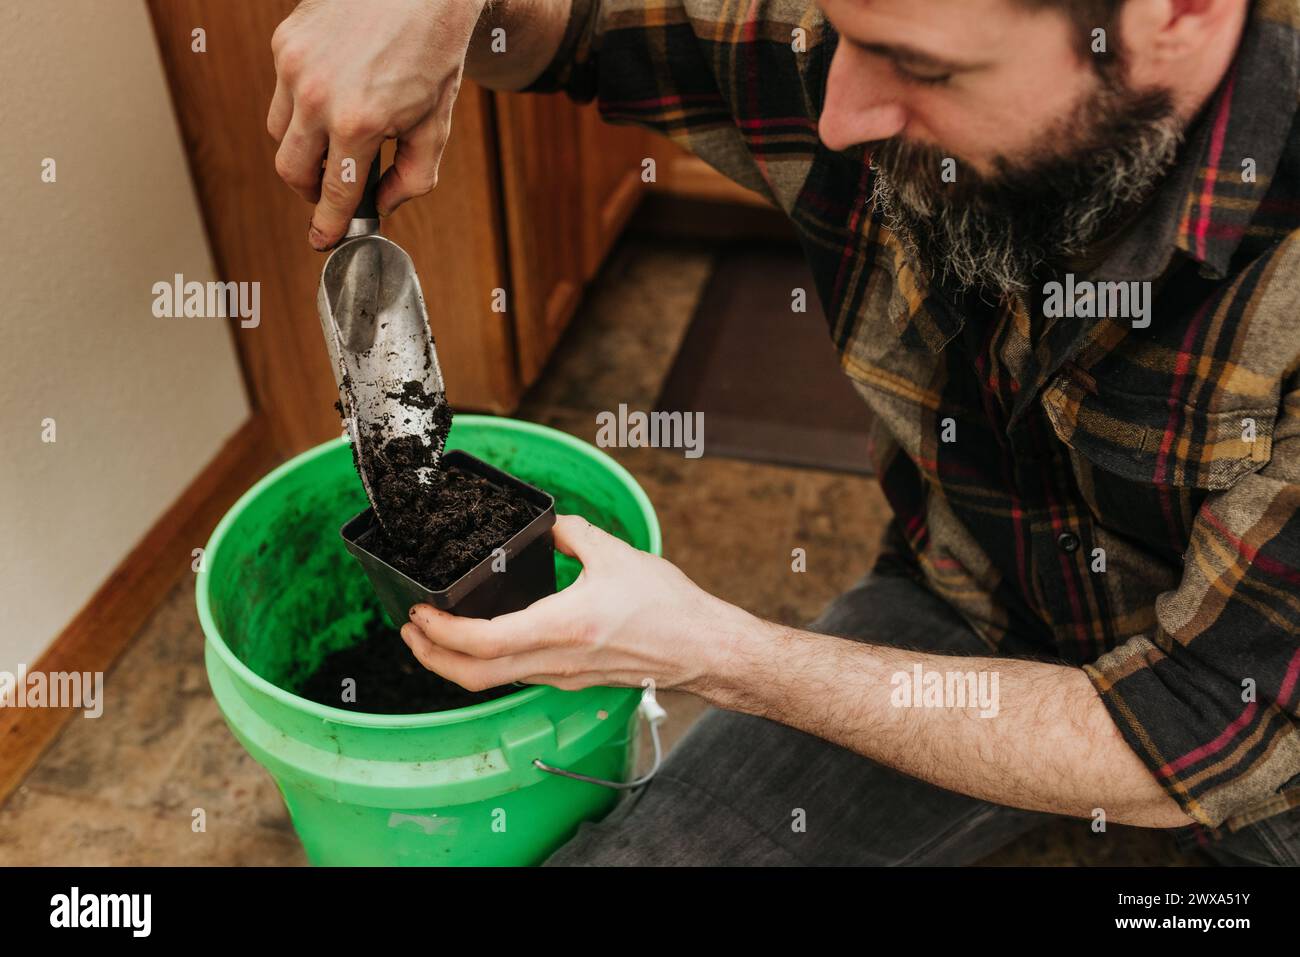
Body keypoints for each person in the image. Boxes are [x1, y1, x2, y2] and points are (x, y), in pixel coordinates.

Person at [269, 0, 1300, 865]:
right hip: (973, 601)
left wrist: (715, 652)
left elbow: (1194, 725)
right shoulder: (862, 38)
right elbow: (571, 27)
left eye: (916, 67)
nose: (840, 112)